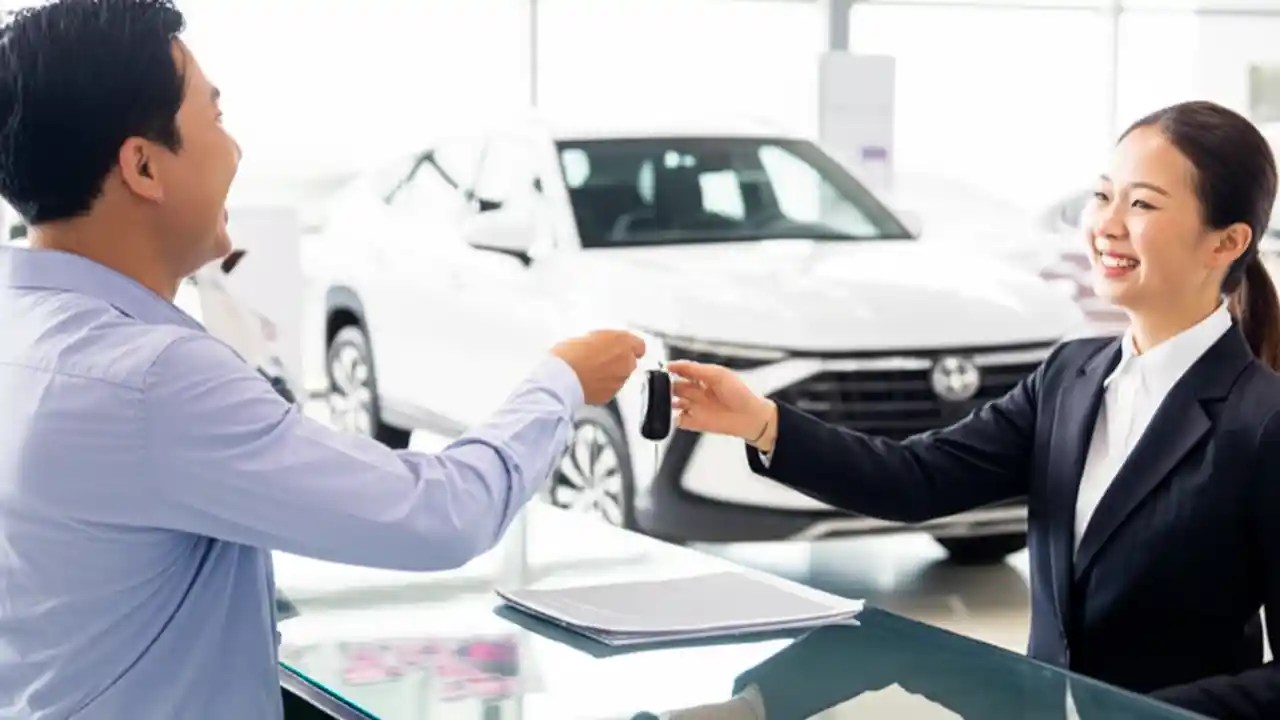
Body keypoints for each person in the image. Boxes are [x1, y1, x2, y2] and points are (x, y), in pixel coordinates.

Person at [0, 1, 644, 718]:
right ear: (144, 164)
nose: (236, 150)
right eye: (214, 119)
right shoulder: (151, 379)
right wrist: (563, 380)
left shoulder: (24, 331)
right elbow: (440, 512)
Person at [670, 99, 1280, 720]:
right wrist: (759, 422)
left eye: (1143, 203)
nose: (1107, 225)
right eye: (1102, 196)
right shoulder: (1070, 376)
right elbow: (915, 480)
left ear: (1227, 242)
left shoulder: (1264, 421)